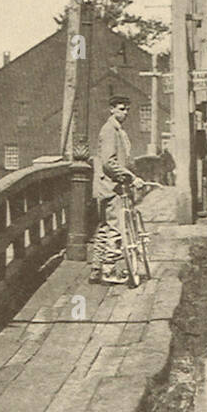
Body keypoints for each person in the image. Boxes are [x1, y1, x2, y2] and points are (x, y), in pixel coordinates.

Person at [91, 94, 143, 284]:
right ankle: (109, 271)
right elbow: (108, 162)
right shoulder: (110, 130)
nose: (125, 112)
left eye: (127, 109)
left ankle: (97, 268)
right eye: (121, 109)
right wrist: (131, 177)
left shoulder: (118, 130)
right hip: (111, 186)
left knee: (105, 227)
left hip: (111, 185)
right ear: (111, 109)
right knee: (115, 228)